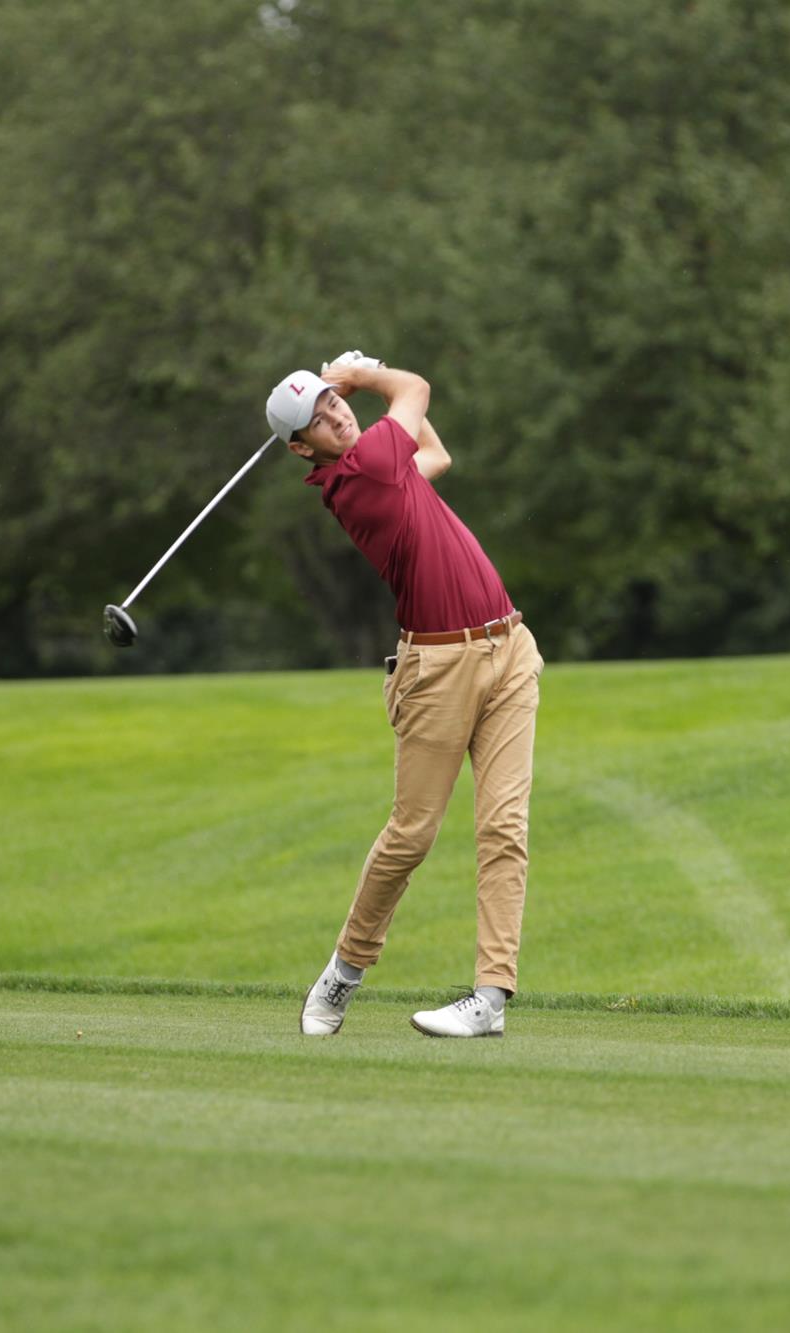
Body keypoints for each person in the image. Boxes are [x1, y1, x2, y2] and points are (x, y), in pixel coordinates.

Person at [265, 354, 543, 1038]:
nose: (338, 414)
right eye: (320, 419)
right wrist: (364, 371)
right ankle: (344, 971)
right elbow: (416, 390)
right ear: (303, 449)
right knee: (412, 833)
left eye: (335, 402)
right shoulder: (360, 474)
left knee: (505, 828)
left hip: (509, 649)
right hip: (439, 669)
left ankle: (491, 997)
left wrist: (347, 388)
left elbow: (436, 452)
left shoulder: (384, 463)